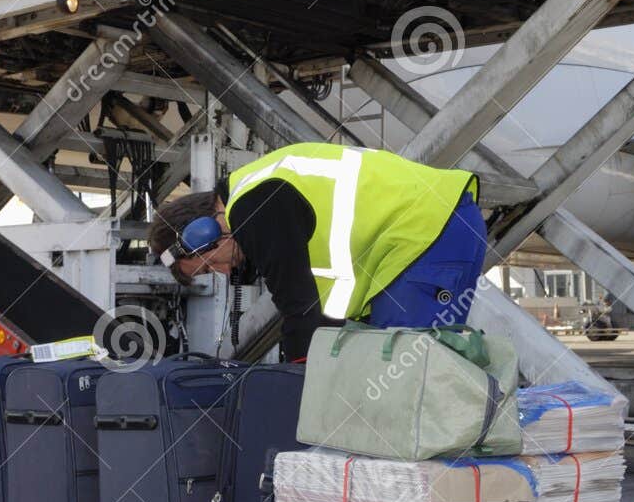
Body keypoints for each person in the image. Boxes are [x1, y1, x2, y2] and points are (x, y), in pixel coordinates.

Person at [148, 143, 487, 360]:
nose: (222, 273)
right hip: (430, 233)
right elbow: (322, 316)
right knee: (399, 373)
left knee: (404, 378)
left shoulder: (253, 207)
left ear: (204, 232)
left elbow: (299, 308)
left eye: (208, 267)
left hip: (426, 230)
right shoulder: (258, 193)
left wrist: (297, 385)